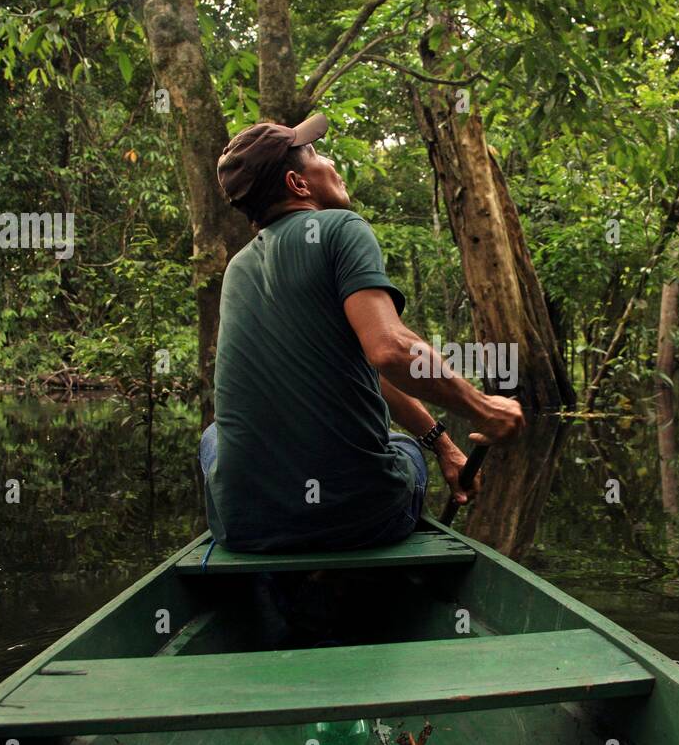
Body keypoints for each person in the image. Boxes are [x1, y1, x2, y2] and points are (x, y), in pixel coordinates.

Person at [202, 112, 524, 557]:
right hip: (357, 518)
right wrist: (483, 408)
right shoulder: (341, 229)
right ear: (299, 185)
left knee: (214, 437)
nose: (330, 161)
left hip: (243, 526)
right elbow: (389, 349)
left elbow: (372, 364)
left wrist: (445, 444)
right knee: (403, 449)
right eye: (316, 154)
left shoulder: (237, 269)